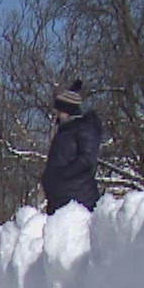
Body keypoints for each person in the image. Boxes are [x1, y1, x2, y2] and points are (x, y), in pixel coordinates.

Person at [40, 80, 103, 213]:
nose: (58, 113)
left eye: (60, 110)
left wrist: (60, 175)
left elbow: (87, 160)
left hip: (79, 200)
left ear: (68, 110)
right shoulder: (65, 131)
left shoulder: (84, 128)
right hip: (62, 199)